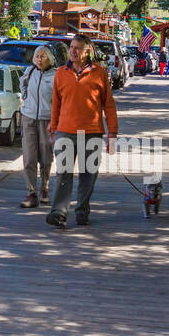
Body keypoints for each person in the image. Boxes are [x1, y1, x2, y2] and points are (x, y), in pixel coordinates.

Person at [47, 33, 118, 227]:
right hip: (65, 131)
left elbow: (109, 105)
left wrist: (112, 133)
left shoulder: (99, 73)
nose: (73, 51)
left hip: (92, 131)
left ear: (87, 52)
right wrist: (53, 129)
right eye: (71, 47)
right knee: (63, 173)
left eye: (77, 48)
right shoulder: (61, 73)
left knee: (88, 175)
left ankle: (82, 211)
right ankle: (59, 212)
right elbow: (56, 105)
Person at [18, 44, 56, 208]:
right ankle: (31, 193)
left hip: (47, 120)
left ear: (50, 58)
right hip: (29, 118)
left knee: (46, 157)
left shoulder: (56, 75)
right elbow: (23, 85)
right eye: (37, 56)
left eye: (43, 56)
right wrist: (25, 98)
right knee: (29, 158)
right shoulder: (30, 71)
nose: (39, 59)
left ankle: (45, 187)